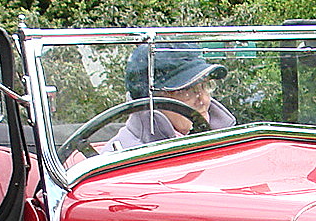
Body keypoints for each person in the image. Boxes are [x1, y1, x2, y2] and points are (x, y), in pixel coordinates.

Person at [101, 45, 236, 152]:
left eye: (205, 86)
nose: (203, 100)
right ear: (151, 100)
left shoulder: (235, 144)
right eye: (187, 91)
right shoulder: (118, 164)